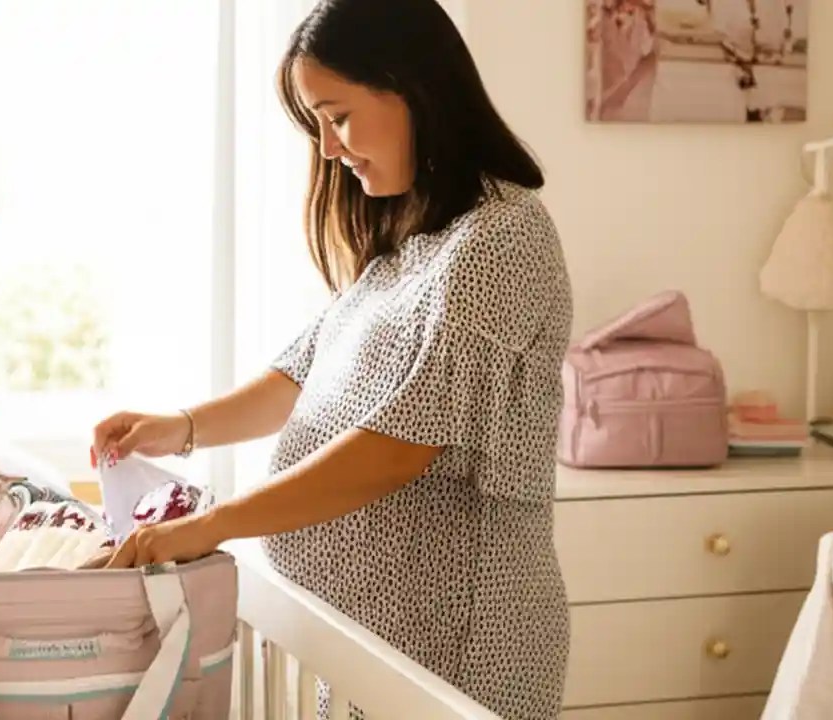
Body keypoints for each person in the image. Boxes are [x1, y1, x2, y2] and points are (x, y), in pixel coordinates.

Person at [90, 0, 573, 716]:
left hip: (458, 639)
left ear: (412, 87)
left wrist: (212, 525)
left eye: (337, 116)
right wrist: (179, 427)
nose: (327, 148)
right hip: (376, 633)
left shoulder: (499, 240)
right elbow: (299, 377)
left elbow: (394, 451)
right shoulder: (410, 245)